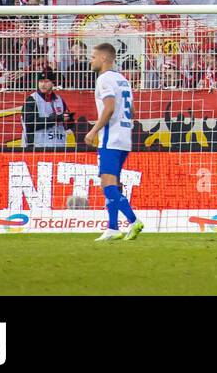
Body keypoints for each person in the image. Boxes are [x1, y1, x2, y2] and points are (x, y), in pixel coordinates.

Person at [84, 42, 144, 242]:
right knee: (110, 183)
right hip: (124, 138)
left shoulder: (104, 79)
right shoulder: (123, 80)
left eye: (93, 56)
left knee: (108, 185)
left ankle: (133, 221)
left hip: (111, 139)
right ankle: (112, 227)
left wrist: (93, 130)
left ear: (104, 58)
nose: (90, 60)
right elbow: (133, 111)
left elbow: (109, 108)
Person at [22, 68, 70, 150]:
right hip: (37, 147)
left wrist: (68, 120)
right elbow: (30, 123)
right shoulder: (32, 99)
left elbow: (67, 122)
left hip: (59, 147)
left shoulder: (59, 100)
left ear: (53, 83)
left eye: (46, 81)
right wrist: (55, 119)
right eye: (40, 81)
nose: (43, 85)